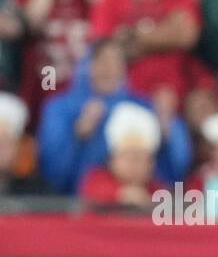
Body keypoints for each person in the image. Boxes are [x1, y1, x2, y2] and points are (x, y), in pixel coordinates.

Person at [37, 38, 191, 195]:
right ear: (87, 66)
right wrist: (78, 134)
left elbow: (175, 171)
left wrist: (168, 131)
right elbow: (52, 173)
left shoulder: (143, 108)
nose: (109, 69)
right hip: (76, 205)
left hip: (138, 201)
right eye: (102, 61)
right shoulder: (60, 107)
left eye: (116, 62)